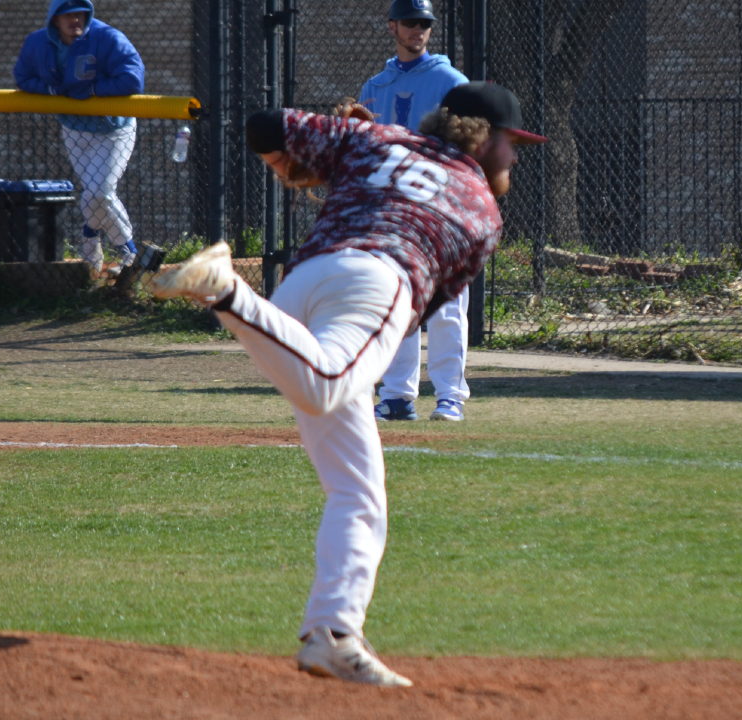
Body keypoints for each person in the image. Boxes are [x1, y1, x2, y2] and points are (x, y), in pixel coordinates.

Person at [149, 82, 545, 686]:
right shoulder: (484, 212)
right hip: (378, 281)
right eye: (512, 142)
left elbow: (262, 124)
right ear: (483, 138)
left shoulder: (374, 137)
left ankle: (331, 634)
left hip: (305, 281)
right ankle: (226, 290)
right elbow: (427, 301)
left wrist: (307, 160)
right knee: (326, 381)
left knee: (360, 491)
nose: (515, 156)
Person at [359, 0, 472, 422]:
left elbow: (467, 144)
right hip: (394, 212)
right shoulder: (375, 85)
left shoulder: (451, 81)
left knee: (445, 306)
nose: (417, 30)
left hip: (442, 209)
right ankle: (398, 396)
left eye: (424, 23)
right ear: (393, 27)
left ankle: (449, 395)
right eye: (410, 22)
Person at [14, 0, 145, 275]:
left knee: (99, 192)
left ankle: (126, 252)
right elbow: (22, 77)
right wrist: (53, 91)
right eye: (67, 14)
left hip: (113, 130)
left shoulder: (107, 37)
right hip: (74, 129)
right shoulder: (38, 42)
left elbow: (133, 78)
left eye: (80, 13)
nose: (75, 19)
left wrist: (93, 90)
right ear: (55, 19)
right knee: (94, 194)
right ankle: (92, 242)